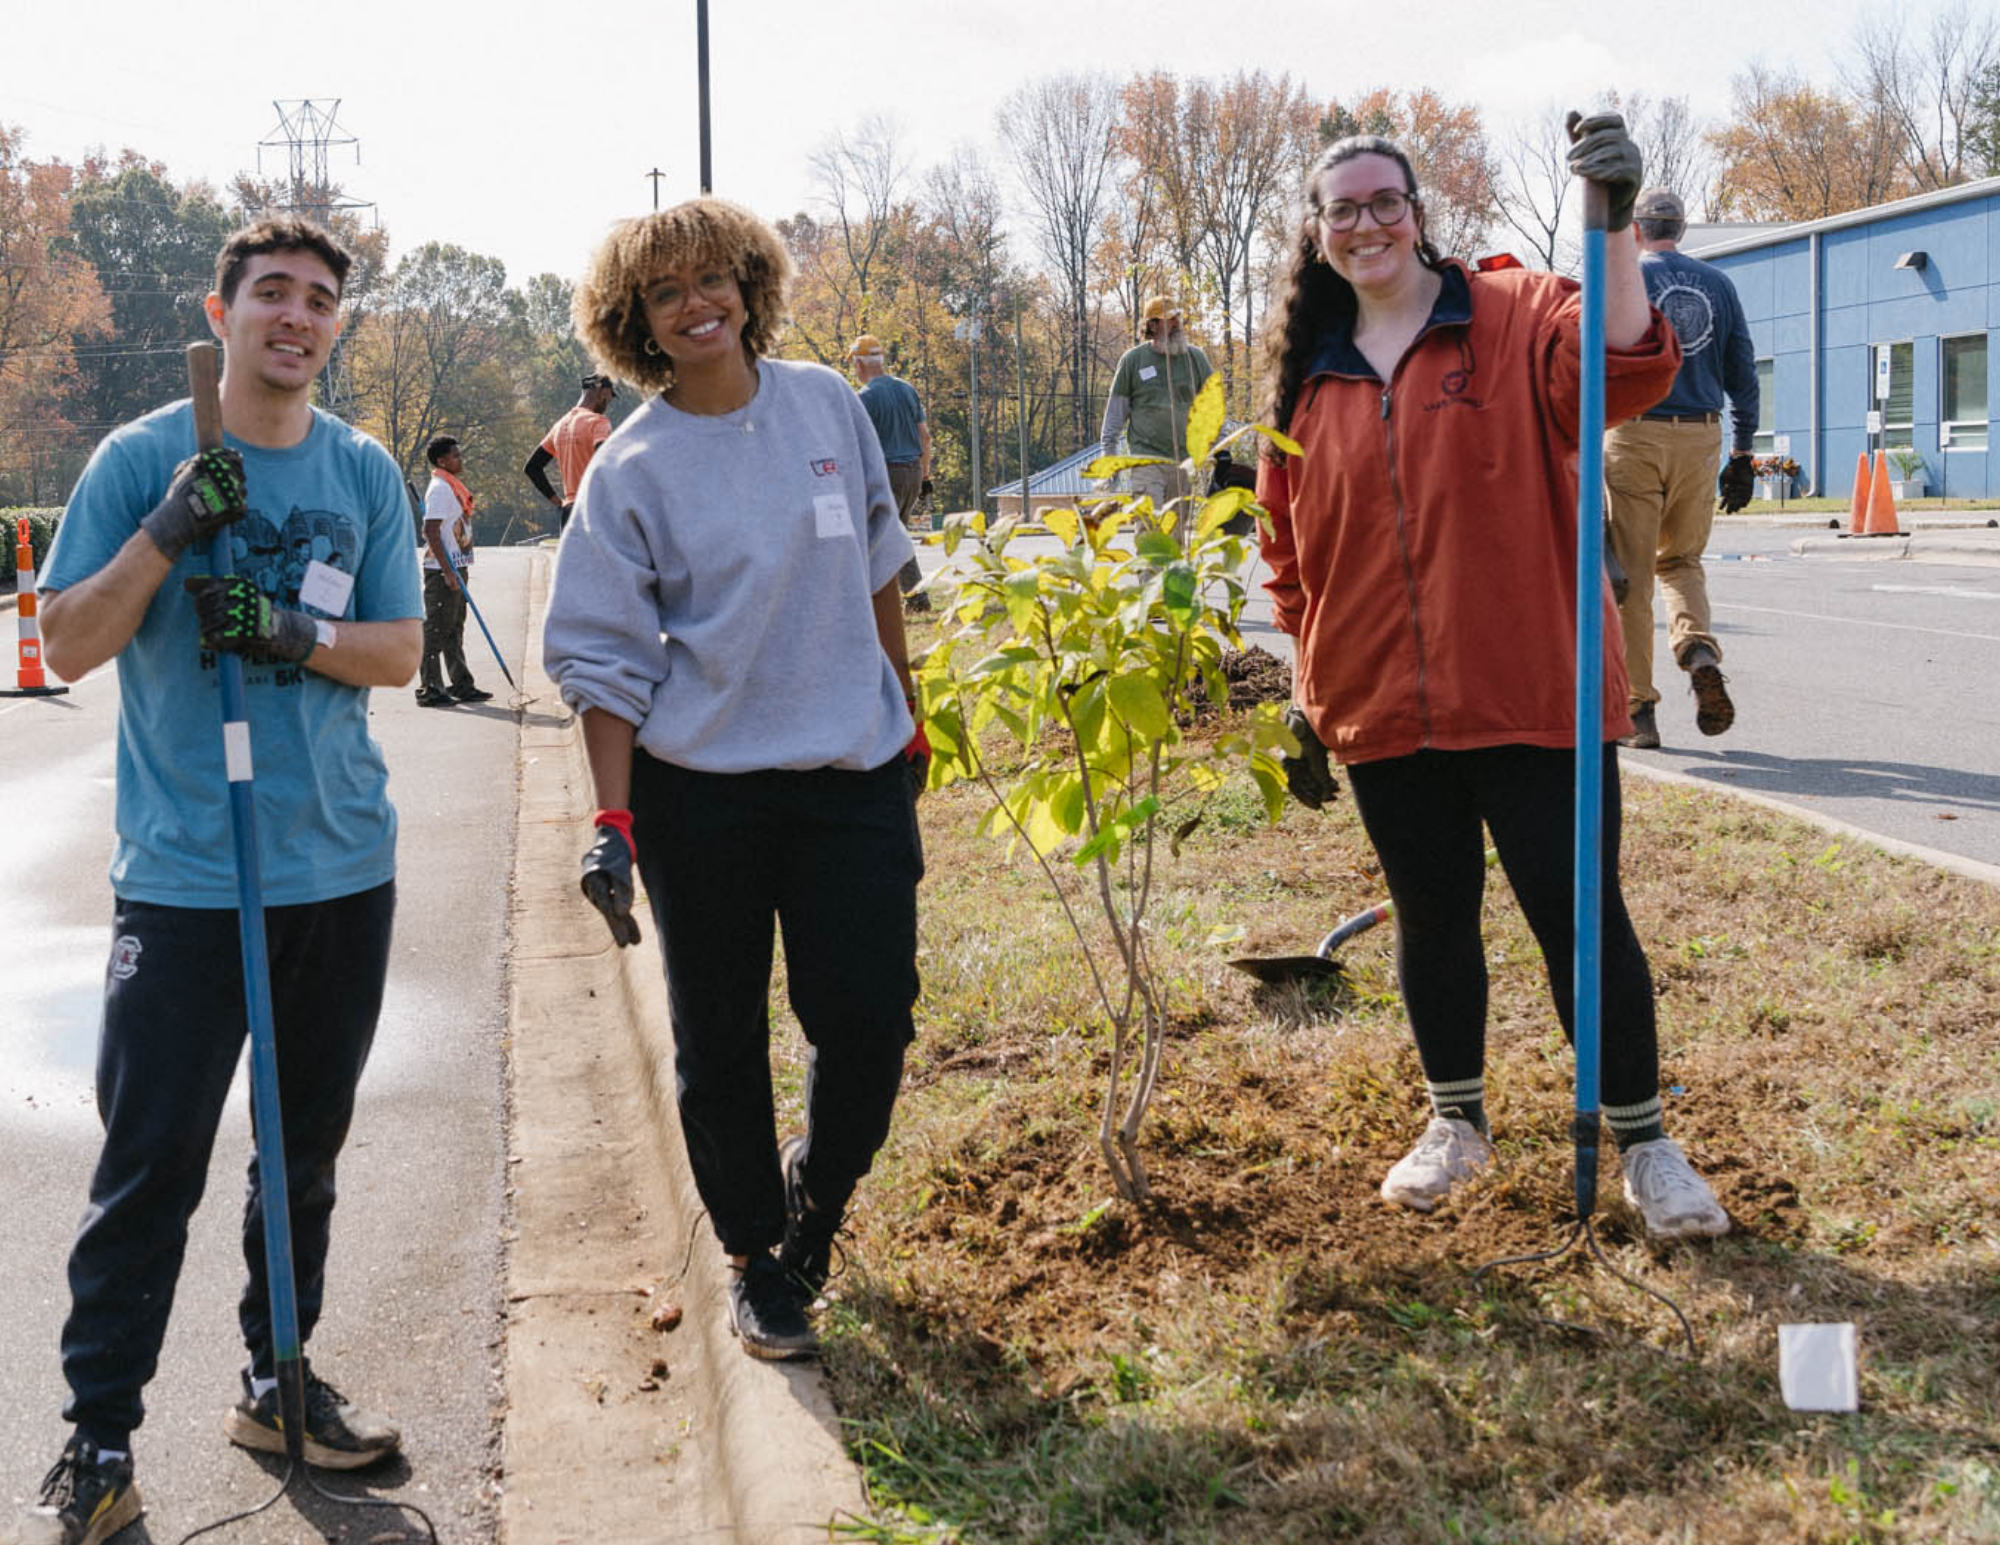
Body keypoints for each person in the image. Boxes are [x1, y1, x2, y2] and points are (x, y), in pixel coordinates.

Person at [18, 216, 421, 1545]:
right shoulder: (143, 454)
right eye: (272, 295)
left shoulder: (360, 470)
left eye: (319, 300)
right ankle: (99, 1439)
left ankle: (278, 1380)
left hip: (337, 867)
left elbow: (402, 647)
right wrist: (169, 531)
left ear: (336, 326)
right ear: (222, 310)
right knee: (151, 1165)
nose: (295, 317)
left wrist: (287, 628)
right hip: (189, 880)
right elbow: (65, 639)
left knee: (301, 1154)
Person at [1255, 121, 1729, 1241]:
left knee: (1580, 923)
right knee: (1431, 920)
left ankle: (1645, 1146)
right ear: (1317, 235)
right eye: (1341, 210)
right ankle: (1453, 1124)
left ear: (1416, 213)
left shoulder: (1515, 318)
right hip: (1380, 705)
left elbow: (1624, 362)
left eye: (1383, 202)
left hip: (1532, 689)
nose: (1364, 224)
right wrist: (1310, 685)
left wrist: (1607, 222)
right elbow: (1286, 550)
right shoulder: (1305, 376)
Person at [544, 198, 928, 1362]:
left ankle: (816, 1205)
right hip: (699, 792)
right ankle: (761, 1259)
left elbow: (874, 558)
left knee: (869, 1023)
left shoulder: (825, 405)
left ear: (749, 286)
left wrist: (904, 715)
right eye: (666, 293)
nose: (696, 304)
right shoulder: (633, 469)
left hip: (848, 770)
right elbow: (604, 658)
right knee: (718, 1039)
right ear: (635, 323)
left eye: (714, 280)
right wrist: (610, 823)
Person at [1605, 187, 1757, 750]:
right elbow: (1742, 370)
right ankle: (1696, 649)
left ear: (1637, 231)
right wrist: (1743, 454)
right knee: (1684, 560)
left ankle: (1639, 711)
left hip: (1633, 432)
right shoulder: (1719, 286)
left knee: (1632, 579)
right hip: (1701, 432)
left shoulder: (1625, 280)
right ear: (1682, 230)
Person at [1099, 294, 1213, 516]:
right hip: (1146, 460)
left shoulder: (1196, 359)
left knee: (1178, 537)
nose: (1176, 323)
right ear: (1152, 325)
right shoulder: (1133, 361)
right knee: (1150, 527)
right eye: (1168, 319)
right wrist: (1108, 463)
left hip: (1185, 462)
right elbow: (1114, 416)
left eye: (1176, 317)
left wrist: (1221, 453)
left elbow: (1213, 410)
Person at [848, 334, 933, 610]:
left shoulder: (865, 398)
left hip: (887, 473)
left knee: (876, 537)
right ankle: (916, 597)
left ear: (860, 364)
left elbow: (856, 445)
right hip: (912, 473)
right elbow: (926, 437)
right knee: (897, 534)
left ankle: (876, 600)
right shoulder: (907, 389)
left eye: (853, 364)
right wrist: (925, 475)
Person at [416, 434, 492, 707]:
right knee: (436, 629)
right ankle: (430, 688)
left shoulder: (452, 487)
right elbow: (430, 531)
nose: (461, 459)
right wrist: (448, 572)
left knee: (454, 628)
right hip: (441, 570)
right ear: (442, 461)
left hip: (457, 567)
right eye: (456, 455)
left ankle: (461, 683)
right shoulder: (439, 489)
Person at [524, 373, 617, 531]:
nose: (607, 403)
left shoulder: (560, 425)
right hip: (594, 509)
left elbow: (532, 468)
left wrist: (558, 502)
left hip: (569, 513)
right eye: (609, 398)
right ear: (603, 392)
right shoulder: (598, 422)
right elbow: (604, 458)